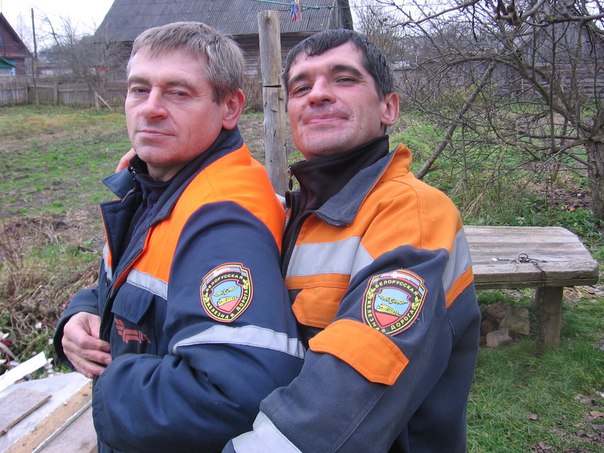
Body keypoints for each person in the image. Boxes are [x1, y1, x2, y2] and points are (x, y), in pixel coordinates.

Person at [223, 29, 481, 452]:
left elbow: (340, 412)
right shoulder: (292, 215)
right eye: (301, 88)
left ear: (388, 107)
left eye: (344, 79)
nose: (317, 95)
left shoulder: (413, 214)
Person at [53, 22, 303, 453]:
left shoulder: (222, 219)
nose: (150, 108)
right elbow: (130, 284)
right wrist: (80, 316)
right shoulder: (153, 185)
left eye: (178, 92)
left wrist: (108, 387)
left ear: (229, 108)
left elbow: (231, 394)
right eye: (139, 89)